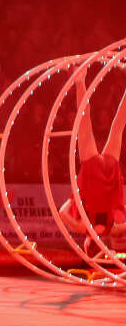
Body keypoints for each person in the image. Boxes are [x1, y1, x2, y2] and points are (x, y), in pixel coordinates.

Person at [58, 71, 126, 252]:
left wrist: (118, 205)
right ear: (87, 244)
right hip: (92, 177)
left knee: (118, 126)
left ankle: (82, 81)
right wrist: (73, 200)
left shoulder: (113, 229)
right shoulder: (83, 228)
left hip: (110, 176)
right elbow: (61, 213)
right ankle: (80, 81)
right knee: (84, 123)